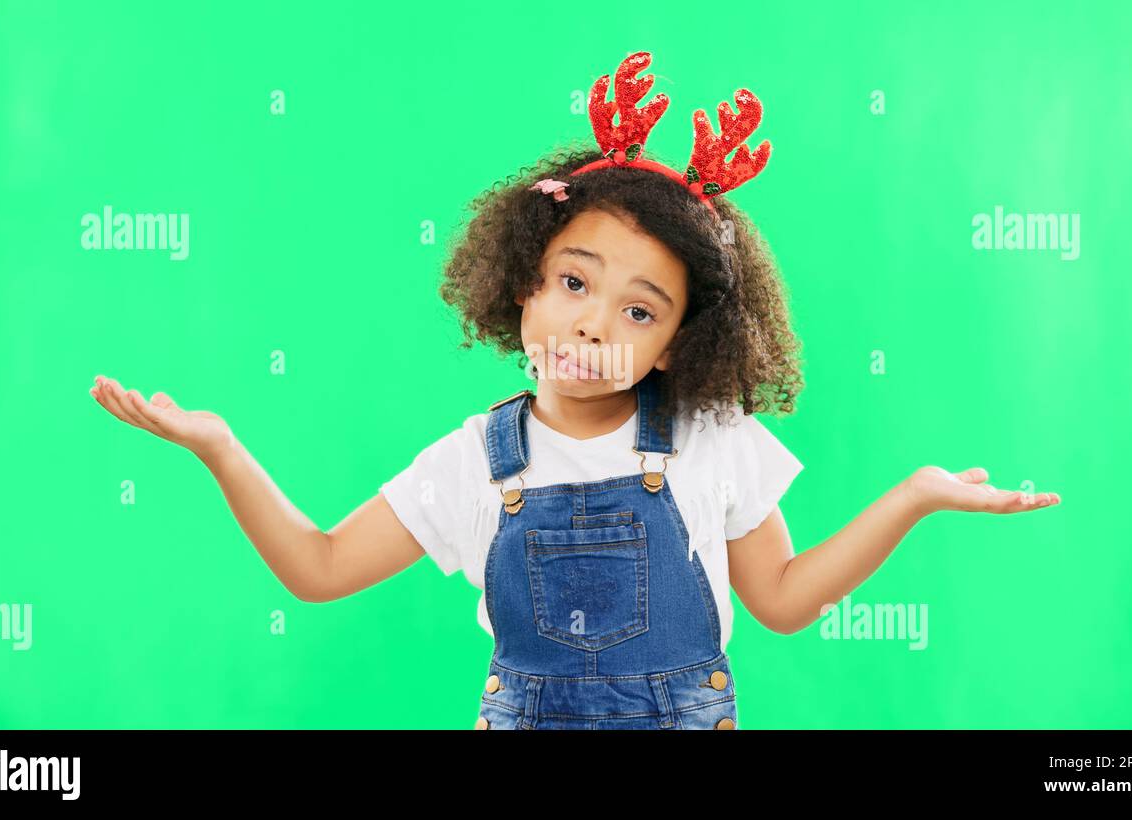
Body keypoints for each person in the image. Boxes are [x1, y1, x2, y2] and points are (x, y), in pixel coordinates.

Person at [88, 50, 1061, 730]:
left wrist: (915, 495)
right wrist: (220, 447)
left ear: (682, 344)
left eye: (641, 311)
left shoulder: (709, 438)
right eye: (573, 281)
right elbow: (319, 566)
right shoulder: (475, 460)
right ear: (522, 285)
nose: (594, 322)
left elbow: (782, 599)